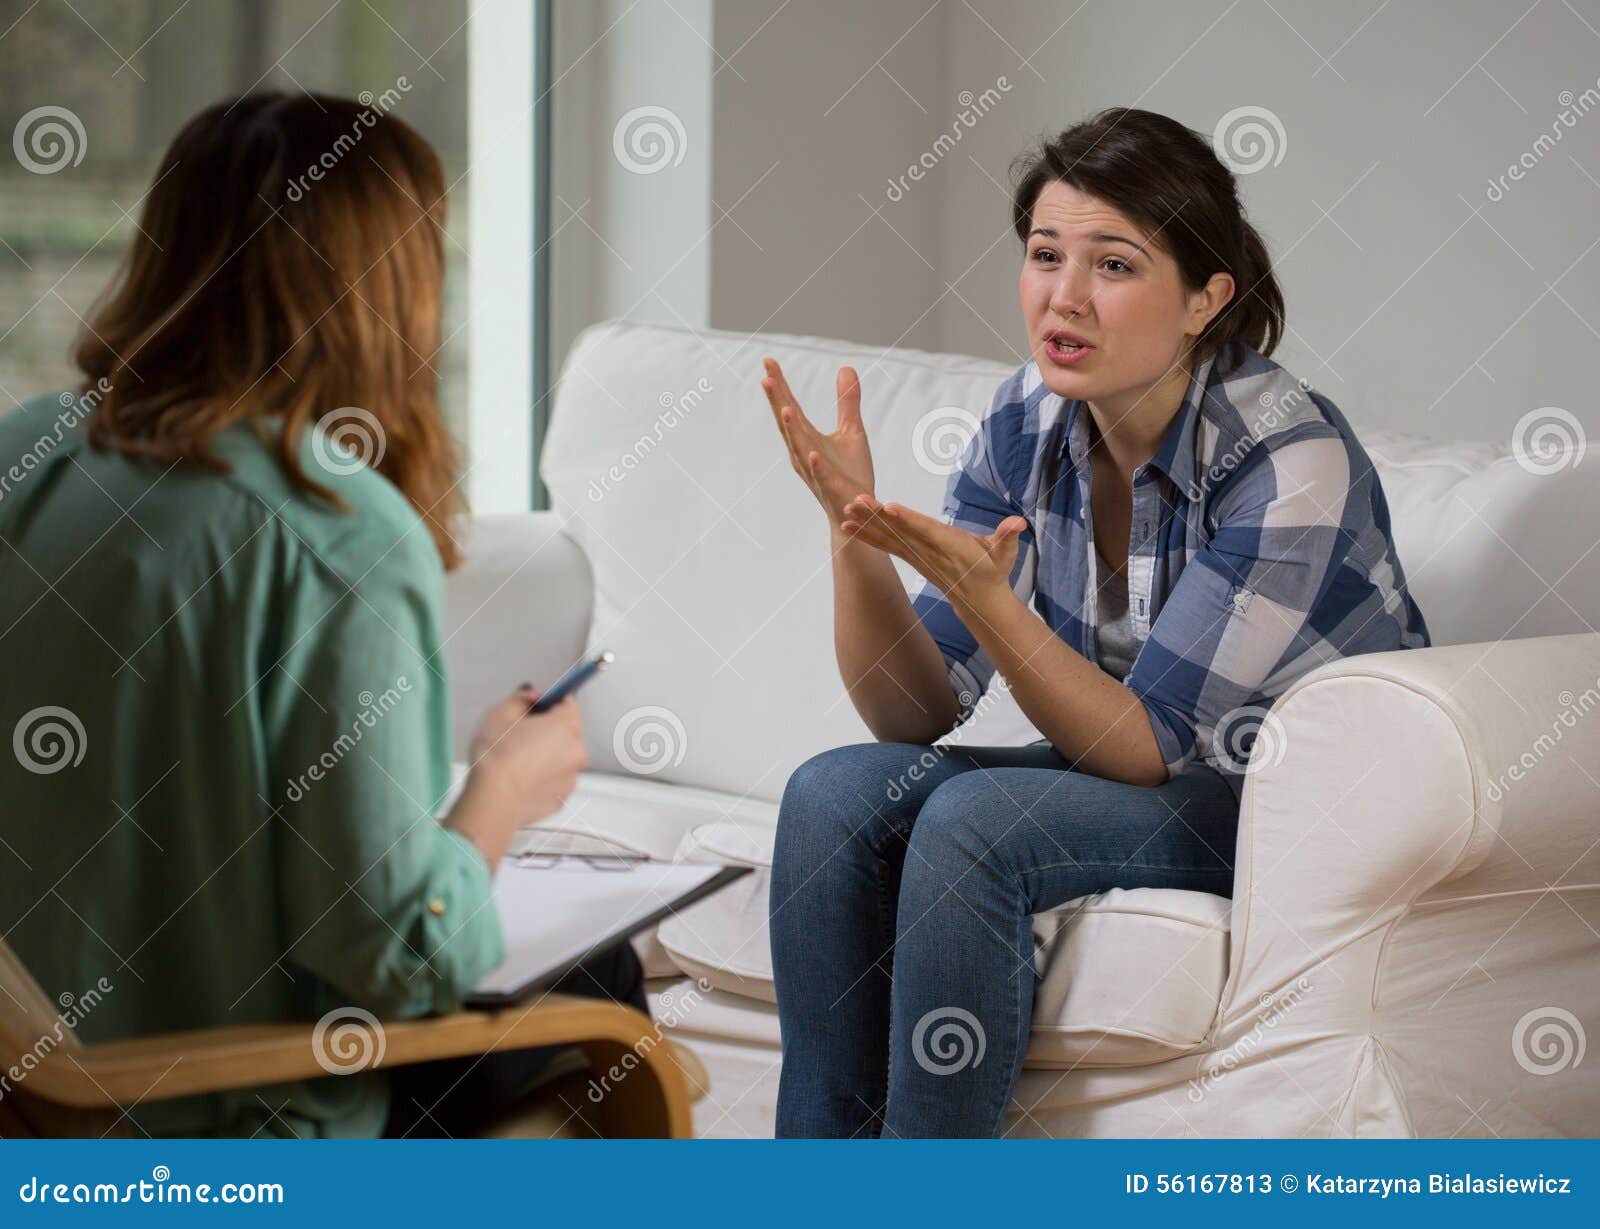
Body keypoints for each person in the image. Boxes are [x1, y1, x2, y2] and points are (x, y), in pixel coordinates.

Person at [761, 106, 1431, 1138]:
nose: (1063, 298)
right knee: (832, 793)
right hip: (1146, 771)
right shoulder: (1024, 418)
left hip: (1301, 808)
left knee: (976, 826)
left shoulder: (1286, 459)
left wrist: (991, 600)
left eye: (1113, 266)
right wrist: (854, 533)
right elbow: (910, 708)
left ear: (1207, 298)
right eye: (1043, 255)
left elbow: (1146, 743)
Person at [0, 92, 635, 1138]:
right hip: (225, 1128)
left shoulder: (28, 456)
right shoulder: (334, 530)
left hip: (34, 1115)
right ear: (392, 289)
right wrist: (500, 795)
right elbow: (388, 953)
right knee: (606, 1013)